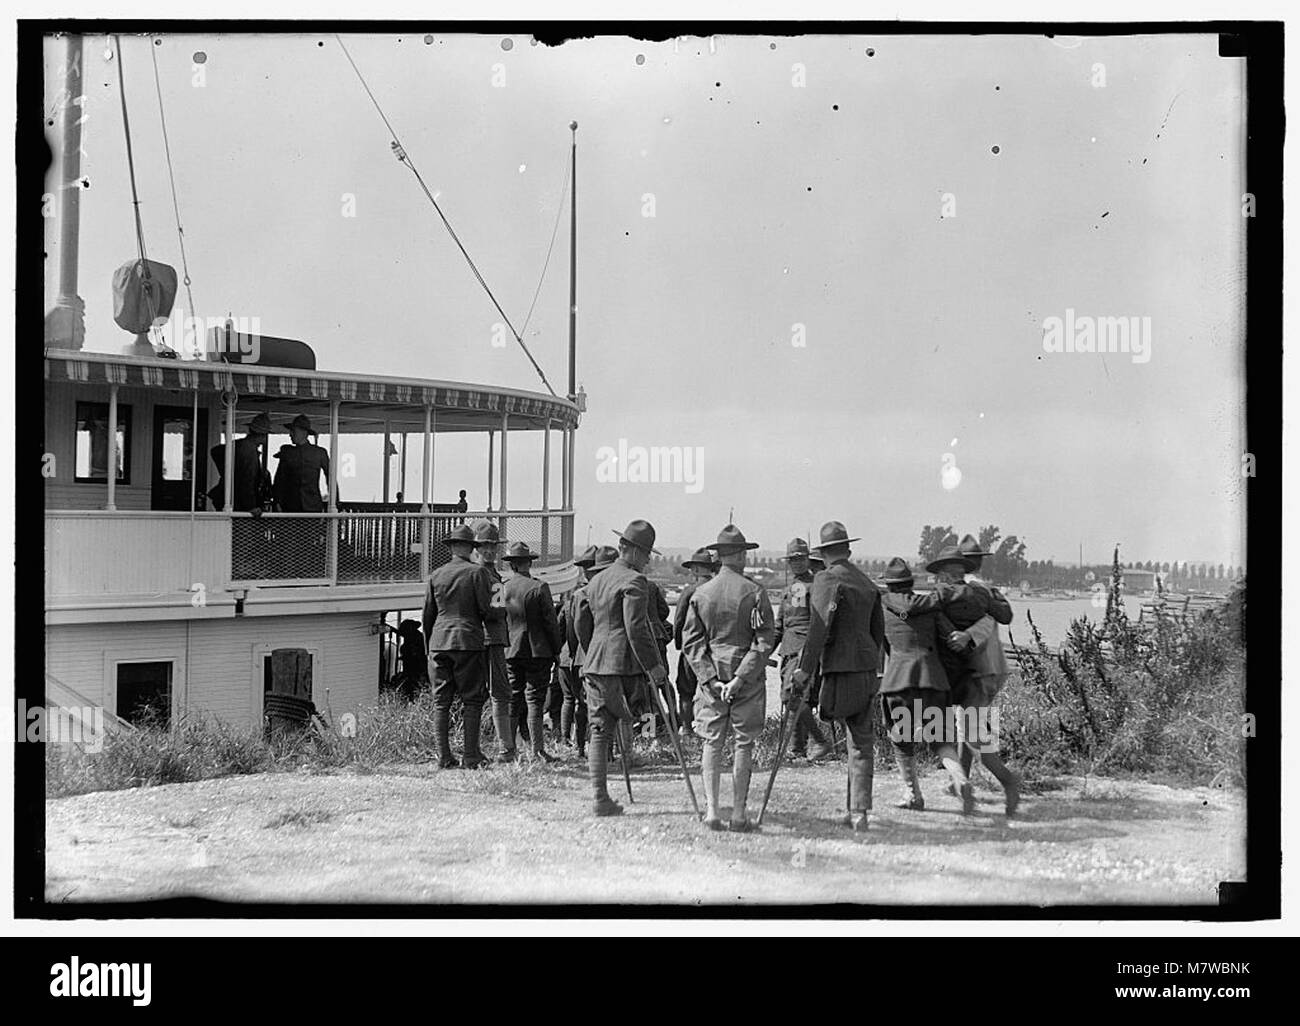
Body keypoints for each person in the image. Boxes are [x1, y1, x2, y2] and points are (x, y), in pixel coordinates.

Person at [791, 520, 885, 832]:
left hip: (839, 670)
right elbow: (878, 631)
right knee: (860, 741)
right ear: (848, 548)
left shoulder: (826, 579)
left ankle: (854, 811)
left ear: (824, 553)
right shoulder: (867, 582)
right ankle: (857, 811)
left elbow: (819, 628)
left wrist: (804, 670)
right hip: (867, 669)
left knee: (839, 728)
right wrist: (877, 669)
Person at [680, 524, 775, 832]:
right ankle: (737, 813)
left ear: (720, 556)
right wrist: (740, 678)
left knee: (712, 742)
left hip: (712, 681)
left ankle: (711, 811)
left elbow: (691, 643)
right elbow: (763, 640)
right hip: (746, 680)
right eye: (745, 553)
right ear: (738, 555)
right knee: (743, 743)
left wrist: (709, 679)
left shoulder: (701, 593)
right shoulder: (755, 592)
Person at [576, 520, 669, 818]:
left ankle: (600, 797)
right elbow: (636, 629)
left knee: (600, 729)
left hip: (595, 664)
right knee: (633, 715)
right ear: (634, 551)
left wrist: (593, 651)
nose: (647, 560)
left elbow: (580, 622)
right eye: (646, 554)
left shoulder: (596, 580)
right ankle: (606, 792)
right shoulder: (635, 581)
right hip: (621, 667)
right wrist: (653, 666)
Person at [931, 541, 1021, 816]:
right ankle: (962, 782)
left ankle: (1003, 780)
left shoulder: (973, 589)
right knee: (969, 728)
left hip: (980, 670)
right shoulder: (977, 589)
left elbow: (991, 620)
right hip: (984, 670)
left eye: (965, 562)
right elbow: (998, 617)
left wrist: (963, 636)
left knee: (968, 731)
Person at [878, 557, 972, 811]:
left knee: (901, 738)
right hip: (933, 680)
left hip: (898, 681)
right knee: (940, 739)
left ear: (889, 585)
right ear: (911, 583)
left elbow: (882, 646)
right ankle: (960, 778)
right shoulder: (930, 606)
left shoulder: (881, 608)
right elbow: (952, 640)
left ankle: (913, 794)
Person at [421, 523, 498, 769]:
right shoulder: (478, 574)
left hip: (439, 642)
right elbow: (488, 610)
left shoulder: (436, 575)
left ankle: (444, 756)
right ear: (470, 548)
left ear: (452, 547)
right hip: (467, 641)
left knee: (441, 701)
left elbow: (427, 616)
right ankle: (471, 755)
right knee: (472, 700)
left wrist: (429, 648)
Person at [501, 541, 563, 762]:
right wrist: (557, 650)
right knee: (535, 701)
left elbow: (496, 617)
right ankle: (537, 750)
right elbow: (551, 624)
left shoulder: (501, 588)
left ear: (511, 565)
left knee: (513, 698)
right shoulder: (539, 587)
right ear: (529, 563)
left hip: (511, 650)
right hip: (538, 651)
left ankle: (508, 750)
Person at [774, 538, 832, 761]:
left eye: (800, 558)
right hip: (790, 649)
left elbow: (804, 623)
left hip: (801, 650)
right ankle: (797, 749)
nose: (796, 563)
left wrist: (803, 652)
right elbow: (781, 625)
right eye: (792, 559)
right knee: (798, 701)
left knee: (791, 698)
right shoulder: (791, 588)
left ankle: (820, 741)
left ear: (809, 559)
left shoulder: (803, 587)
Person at [473, 520, 517, 763]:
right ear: (476, 548)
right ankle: (505, 748)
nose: (490, 550)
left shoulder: (490, 574)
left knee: (489, 693)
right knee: (500, 692)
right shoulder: (484, 574)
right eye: (485, 546)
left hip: (487, 638)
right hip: (491, 639)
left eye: (493, 546)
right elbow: (497, 610)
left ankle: (495, 746)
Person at [672, 548, 717, 738]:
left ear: (697, 569)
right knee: (713, 690)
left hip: (691, 651)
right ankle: (712, 729)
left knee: (685, 691)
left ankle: (688, 730)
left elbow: (679, 621)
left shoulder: (690, 591)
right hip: (714, 651)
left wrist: (680, 644)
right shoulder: (718, 589)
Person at [558, 545, 599, 754]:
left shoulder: (577, 595)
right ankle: (601, 749)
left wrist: (572, 654)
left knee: (577, 704)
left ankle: (576, 745)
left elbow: (570, 631)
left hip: (578, 658)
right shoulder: (601, 592)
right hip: (596, 658)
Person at [272, 414, 330, 513]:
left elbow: (330, 478)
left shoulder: (319, 452)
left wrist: (335, 503)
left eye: (293, 431)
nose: (290, 434)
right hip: (292, 507)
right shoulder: (287, 452)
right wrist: (277, 501)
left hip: (310, 508)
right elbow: (279, 479)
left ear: (304, 433)